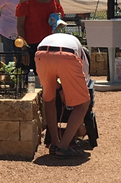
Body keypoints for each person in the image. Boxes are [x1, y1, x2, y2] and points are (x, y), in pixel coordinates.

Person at [34, 28, 91, 158]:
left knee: (49, 98)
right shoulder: (82, 54)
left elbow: (57, 75)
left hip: (41, 53)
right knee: (83, 103)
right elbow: (83, 84)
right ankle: (64, 146)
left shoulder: (61, 38)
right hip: (67, 55)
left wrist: (61, 90)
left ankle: (55, 143)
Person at [15, 0, 65, 83]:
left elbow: (59, 18)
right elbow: (20, 25)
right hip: (31, 44)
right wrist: (23, 47)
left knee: (52, 77)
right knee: (31, 78)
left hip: (51, 43)